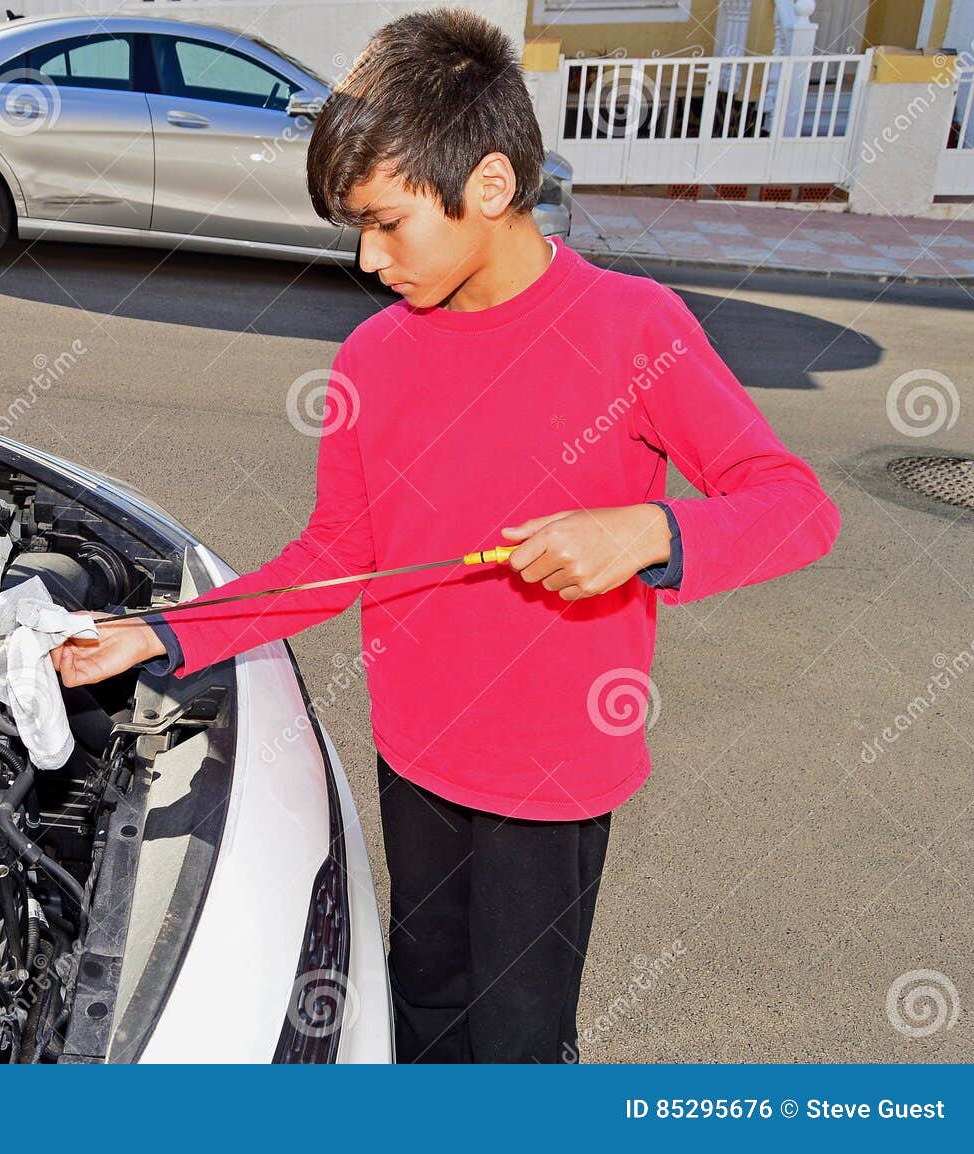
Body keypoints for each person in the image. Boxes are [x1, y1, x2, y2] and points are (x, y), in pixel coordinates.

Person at [49, 9, 841, 1063]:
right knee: (420, 1011)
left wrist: (649, 527)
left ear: (492, 187)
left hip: (549, 780)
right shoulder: (374, 358)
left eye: (388, 223)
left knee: (516, 1042)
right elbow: (335, 554)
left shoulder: (634, 329)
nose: (371, 260)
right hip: (414, 756)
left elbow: (795, 505)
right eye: (356, 231)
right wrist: (159, 631)